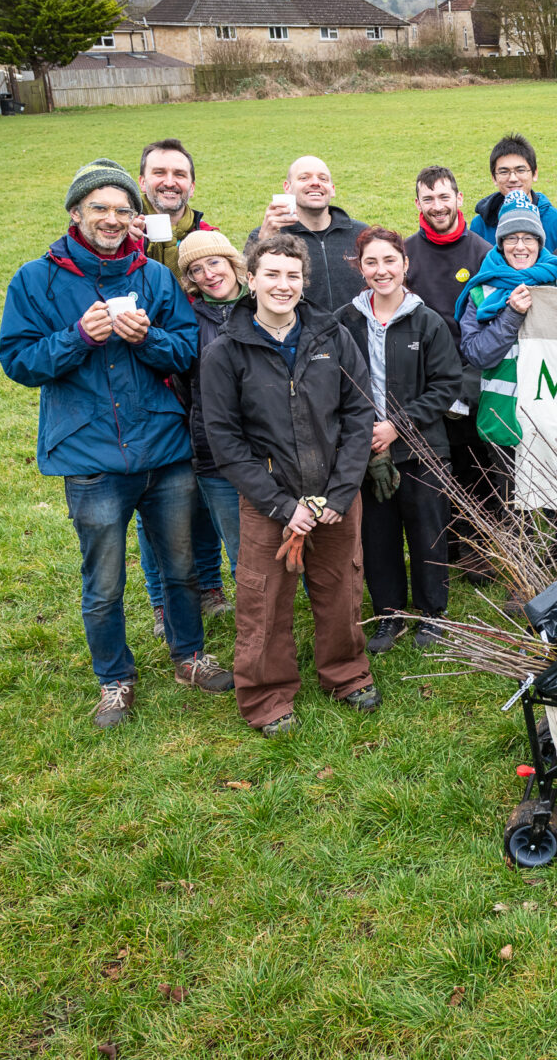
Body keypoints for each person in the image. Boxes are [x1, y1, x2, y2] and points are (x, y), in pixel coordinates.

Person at [0, 158, 228, 729]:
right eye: (99, 208)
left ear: (136, 218)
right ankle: (114, 680)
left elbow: (187, 352)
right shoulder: (36, 279)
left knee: (178, 569)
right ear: (76, 213)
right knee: (103, 580)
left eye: (124, 210)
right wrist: (77, 338)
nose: (112, 219)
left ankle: (190, 657)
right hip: (90, 455)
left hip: (164, 450)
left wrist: (148, 339)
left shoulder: (152, 277)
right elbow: (19, 360)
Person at [198, 234, 378, 736]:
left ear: (305, 282)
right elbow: (226, 441)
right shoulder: (225, 352)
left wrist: (341, 493)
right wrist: (280, 506)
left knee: (342, 587)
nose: (283, 285)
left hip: (335, 495)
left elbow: (359, 414)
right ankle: (266, 695)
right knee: (264, 599)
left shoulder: (333, 336)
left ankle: (346, 673)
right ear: (250, 280)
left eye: (292, 276)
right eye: (271, 275)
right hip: (268, 502)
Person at [338, 227, 464, 655]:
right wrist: (364, 434)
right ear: (361, 268)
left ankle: (433, 614)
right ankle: (389, 614)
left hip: (422, 448)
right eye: (371, 262)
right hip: (366, 450)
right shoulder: (346, 321)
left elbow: (446, 384)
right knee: (378, 535)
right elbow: (335, 384)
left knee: (428, 531)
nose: (381, 270)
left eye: (389, 261)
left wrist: (398, 424)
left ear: (405, 264)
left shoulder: (426, 321)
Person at [135, 229, 251, 640]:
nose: (208, 274)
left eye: (214, 262)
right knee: (238, 547)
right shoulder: (189, 317)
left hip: (269, 449)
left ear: (233, 262)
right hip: (212, 452)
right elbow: (181, 379)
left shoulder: (262, 305)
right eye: (196, 269)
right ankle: (253, 623)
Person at [402, 165, 498, 580]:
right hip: (424, 377)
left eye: (444, 197)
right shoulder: (407, 254)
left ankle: (481, 545)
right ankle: (449, 544)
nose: (437, 206)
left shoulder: (481, 251)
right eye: (428, 199)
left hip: (472, 375)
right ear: (418, 204)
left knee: (476, 461)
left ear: (459, 199)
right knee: (437, 464)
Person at [457, 190, 557, 457]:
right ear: (500, 243)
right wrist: (511, 316)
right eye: (511, 238)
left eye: (528, 238)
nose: (520, 247)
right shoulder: (482, 290)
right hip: (503, 421)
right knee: (506, 497)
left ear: (540, 242)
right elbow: (477, 354)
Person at [246, 155, 367, 313]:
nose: (315, 183)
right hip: (298, 334)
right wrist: (265, 241)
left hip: (355, 335)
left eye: (323, 179)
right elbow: (249, 292)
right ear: (287, 187)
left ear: (332, 189)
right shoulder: (265, 234)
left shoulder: (361, 234)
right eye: (304, 177)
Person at [467, 132, 557, 246]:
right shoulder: (480, 226)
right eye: (504, 172)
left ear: (534, 173)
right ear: (494, 178)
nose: (513, 178)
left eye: (520, 170)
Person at [131, 138, 214, 275]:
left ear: (192, 188)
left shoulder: (207, 237)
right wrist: (119, 246)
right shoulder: (123, 232)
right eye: (159, 173)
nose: (169, 183)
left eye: (179, 174)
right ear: (142, 182)